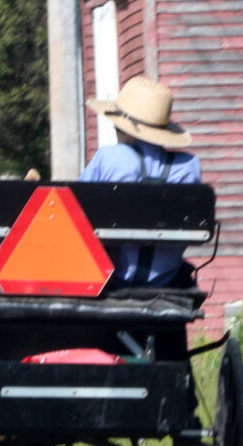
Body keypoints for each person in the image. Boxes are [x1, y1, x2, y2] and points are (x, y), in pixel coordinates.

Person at [80, 74, 200, 288]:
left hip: (111, 279)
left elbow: (73, 207)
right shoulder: (189, 166)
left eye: (116, 125)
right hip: (169, 280)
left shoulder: (109, 157)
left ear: (125, 129)